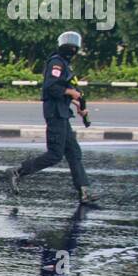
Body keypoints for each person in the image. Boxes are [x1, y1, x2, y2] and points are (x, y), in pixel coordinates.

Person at [8, 31, 98, 204]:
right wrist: (70, 92)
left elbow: (67, 90)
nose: (72, 47)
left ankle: (84, 191)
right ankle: (18, 172)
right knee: (55, 154)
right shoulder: (56, 63)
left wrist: (78, 104)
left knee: (74, 153)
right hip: (55, 114)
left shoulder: (65, 64)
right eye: (70, 44)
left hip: (63, 113)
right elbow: (50, 87)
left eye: (74, 44)